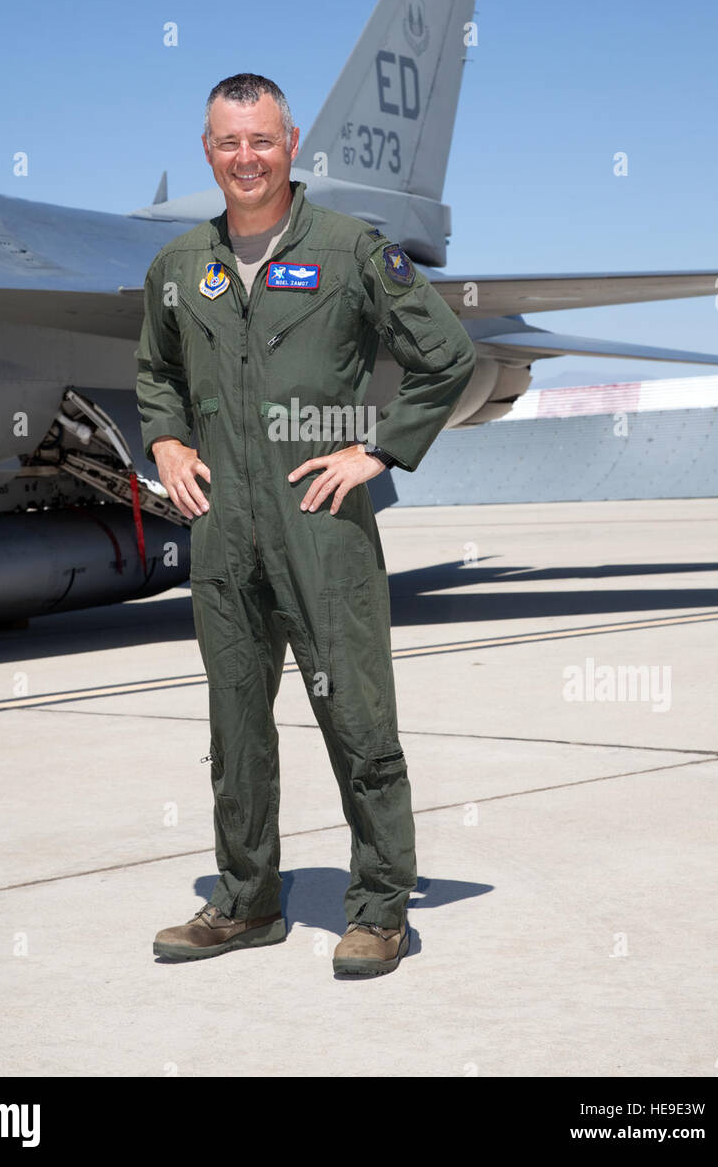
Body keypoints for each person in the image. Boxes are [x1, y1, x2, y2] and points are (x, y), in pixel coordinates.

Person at [136, 73, 476, 977]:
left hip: (321, 527)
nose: (245, 157)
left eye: (261, 140)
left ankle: (379, 908)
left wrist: (378, 450)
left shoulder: (352, 251)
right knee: (235, 725)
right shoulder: (180, 267)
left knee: (358, 719)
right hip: (224, 533)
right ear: (208, 150)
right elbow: (156, 371)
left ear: (291, 146)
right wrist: (167, 440)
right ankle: (245, 903)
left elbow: (447, 359)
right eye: (226, 142)